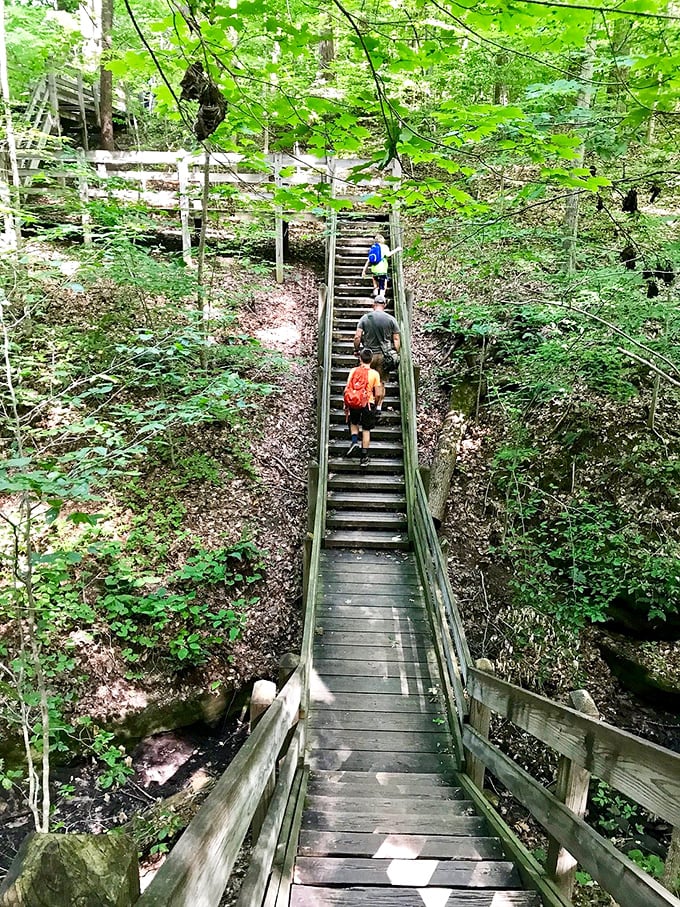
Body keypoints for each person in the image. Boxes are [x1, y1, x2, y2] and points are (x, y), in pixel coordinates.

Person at [353, 297, 401, 418]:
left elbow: (357, 337)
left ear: (374, 305)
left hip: (368, 355)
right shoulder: (391, 319)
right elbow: (396, 339)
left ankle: (365, 404)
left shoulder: (365, 318)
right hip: (383, 356)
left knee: (365, 380)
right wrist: (396, 352)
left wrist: (356, 349)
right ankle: (378, 406)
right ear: (384, 305)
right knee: (380, 382)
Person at [344, 348, 381, 468]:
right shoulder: (375, 374)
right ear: (371, 360)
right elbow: (379, 392)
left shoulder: (353, 371)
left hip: (354, 402)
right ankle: (364, 456)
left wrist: (346, 402)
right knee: (366, 429)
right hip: (367, 404)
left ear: (360, 358)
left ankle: (354, 442)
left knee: (354, 422)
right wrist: (376, 403)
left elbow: (347, 387)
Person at [360, 233, 402, 297]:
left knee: (375, 282)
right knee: (383, 286)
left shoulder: (373, 248)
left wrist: (364, 271)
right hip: (382, 270)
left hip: (374, 270)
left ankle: (375, 291)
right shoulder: (384, 247)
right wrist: (397, 249)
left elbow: (368, 260)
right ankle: (381, 298)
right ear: (382, 240)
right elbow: (388, 254)